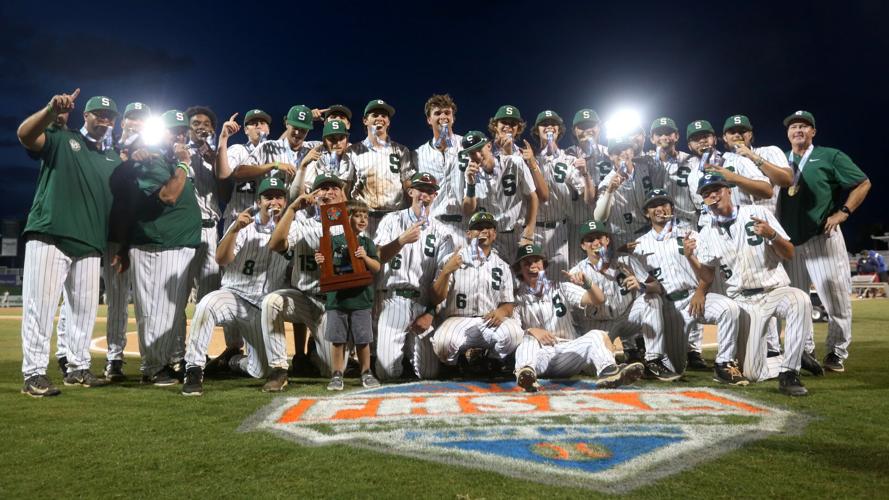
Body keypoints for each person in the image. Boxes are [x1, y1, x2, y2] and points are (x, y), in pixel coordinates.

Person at [16, 89, 118, 396]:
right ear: (84, 116)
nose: (104, 119)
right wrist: (50, 111)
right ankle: (33, 373)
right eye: (98, 113)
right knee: (40, 307)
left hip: (90, 241)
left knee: (85, 312)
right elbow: (24, 135)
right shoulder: (62, 138)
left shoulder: (113, 159)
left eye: (109, 116)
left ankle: (78, 368)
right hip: (51, 233)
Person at [692, 173, 811, 396]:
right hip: (744, 300)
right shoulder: (706, 232)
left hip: (774, 290)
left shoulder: (757, 213)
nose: (713, 196)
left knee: (800, 300)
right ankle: (789, 359)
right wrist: (700, 290)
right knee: (753, 372)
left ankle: (789, 373)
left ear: (729, 190)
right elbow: (708, 272)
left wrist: (773, 234)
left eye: (717, 190)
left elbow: (789, 253)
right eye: (706, 194)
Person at [778, 110, 871, 373]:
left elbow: (863, 183)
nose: (798, 130)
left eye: (804, 127)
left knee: (836, 297)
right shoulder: (780, 159)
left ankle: (836, 352)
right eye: (794, 126)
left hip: (823, 237)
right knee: (797, 302)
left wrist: (843, 212)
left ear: (813, 132)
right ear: (787, 133)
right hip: (790, 243)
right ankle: (805, 350)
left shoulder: (830, 156)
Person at [181, 177, 289, 396]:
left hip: (261, 310)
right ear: (259, 201)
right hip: (234, 296)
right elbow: (221, 259)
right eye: (268, 197)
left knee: (261, 370)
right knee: (206, 305)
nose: (273, 202)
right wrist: (234, 230)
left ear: (285, 202)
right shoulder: (244, 224)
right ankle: (193, 370)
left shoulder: (290, 229)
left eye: (278, 197)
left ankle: (232, 361)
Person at [631, 189, 745, 383]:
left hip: (694, 297)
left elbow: (707, 271)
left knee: (729, 308)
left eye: (664, 204)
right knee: (675, 369)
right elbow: (646, 284)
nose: (659, 208)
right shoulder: (639, 245)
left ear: (672, 208)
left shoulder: (690, 234)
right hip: (668, 306)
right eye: (653, 205)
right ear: (646, 213)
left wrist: (700, 291)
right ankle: (650, 359)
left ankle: (723, 364)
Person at [127, 110, 202, 386]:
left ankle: (167, 361)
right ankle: (152, 367)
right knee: (154, 311)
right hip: (156, 244)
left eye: (182, 130)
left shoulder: (167, 161)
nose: (180, 135)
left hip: (177, 245)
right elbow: (168, 196)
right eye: (174, 130)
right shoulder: (150, 159)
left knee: (170, 312)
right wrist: (183, 164)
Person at [512, 243, 645, 392]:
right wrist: (531, 330)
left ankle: (609, 372)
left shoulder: (561, 287)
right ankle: (525, 374)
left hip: (568, 352)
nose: (533, 266)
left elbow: (599, 300)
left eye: (536, 261)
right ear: (519, 269)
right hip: (538, 357)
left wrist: (587, 284)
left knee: (597, 335)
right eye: (527, 263)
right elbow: (514, 332)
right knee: (528, 339)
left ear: (544, 264)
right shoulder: (515, 297)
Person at [263, 173, 348, 389]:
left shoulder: (352, 222)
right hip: (305, 299)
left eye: (333, 188)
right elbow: (275, 245)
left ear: (342, 193)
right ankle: (279, 370)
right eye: (323, 188)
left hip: (335, 304)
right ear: (314, 195)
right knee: (271, 302)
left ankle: (314, 349)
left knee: (332, 369)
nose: (328, 192)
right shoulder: (302, 223)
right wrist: (291, 209)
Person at [565, 221, 673, 380]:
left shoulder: (627, 261)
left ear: (607, 240)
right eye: (590, 239)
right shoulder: (577, 273)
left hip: (627, 317)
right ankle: (618, 363)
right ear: (583, 245)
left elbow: (658, 287)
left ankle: (653, 360)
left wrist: (642, 285)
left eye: (599, 237)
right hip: (598, 326)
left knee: (653, 298)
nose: (596, 243)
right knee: (592, 367)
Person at [374, 172, 454, 380]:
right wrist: (400, 240)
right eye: (420, 190)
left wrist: (430, 312)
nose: (424, 195)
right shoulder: (391, 220)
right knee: (386, 372)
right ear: (410, 192)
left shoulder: (442, 233)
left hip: (423, 303)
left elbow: (442, 280)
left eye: (429, 192)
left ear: (435, 196)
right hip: (394, 300)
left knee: (429, 373)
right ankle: (402, 357)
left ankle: (409, 353)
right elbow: (377, 258)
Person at [430, 211, 523, 373]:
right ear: (468, 234)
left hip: (489, 321)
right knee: (442, 343)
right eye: (477, 228)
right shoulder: (452, 260)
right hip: (458, 320)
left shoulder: (502, 266)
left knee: (514, 334)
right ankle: (457, 363)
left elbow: (508, 304)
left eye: (488, 227)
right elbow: (435, 298)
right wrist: (446, 271)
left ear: (494, 234)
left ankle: (490, 359)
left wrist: (501, 311)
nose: (483, 231)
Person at [314, 200, 382, 390]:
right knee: (338, 340)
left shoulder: (366, 242)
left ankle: (366, 372)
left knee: (363, 339)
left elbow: (376, 267)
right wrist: (320, 260)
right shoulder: (334, 241)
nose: (363, 220)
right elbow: (327, 265)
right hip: (338, 299)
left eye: (366, 216)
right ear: (347, 218)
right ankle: (337, 373)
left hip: (360, 298)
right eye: (358, 215)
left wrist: (365, 257)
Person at [532, 110, 594, 279]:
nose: (549, 127)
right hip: (533, 229)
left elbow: (588, 197)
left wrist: (586, 174)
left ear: (559, 130)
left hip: (559, 229)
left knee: (559, 284)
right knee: (530, 285)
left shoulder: (568, 160)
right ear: (537, 130)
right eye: (544, 124)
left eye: (553, 124)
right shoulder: (529, 158)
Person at [685, 120, 773, 228]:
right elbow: (701, 209)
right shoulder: (692, 176)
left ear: (715, 140)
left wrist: (734, 178)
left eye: (706, 136)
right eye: (695, 138)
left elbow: (767, 191)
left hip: (744, 226)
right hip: (715, 234)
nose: (702, 140)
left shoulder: (737, 160)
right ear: (689, 146)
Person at [347, 99, 415, 239]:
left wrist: (413, 215)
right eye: (375, 115)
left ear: (388, 122)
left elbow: (408, 186)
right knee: (364, 259)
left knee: (394, 260)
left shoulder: (401, 150)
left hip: (394, 217)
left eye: (384, 116)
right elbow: (346, 189)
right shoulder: (352, 151)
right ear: (365, 120)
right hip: (363, 220)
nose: (380, 118)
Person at [485, 105, 540, 261]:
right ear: (495, 125)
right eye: (504, 121)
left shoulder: (524, 155)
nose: (508, 126)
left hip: (516, 231)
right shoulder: (484, 151)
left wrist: (529, 232)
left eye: (513, 123)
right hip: (490, 232)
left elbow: (537, 195)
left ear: (518, 128)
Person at [412, 94, 467, 245]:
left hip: (465, 224)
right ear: (429, 120)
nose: (443, 116)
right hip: (432, 225)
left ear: (453, 118)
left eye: (447, 112)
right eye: (437, 113)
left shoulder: (467, 145)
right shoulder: (418, 154)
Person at [593, 136, 659, 250]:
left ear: (632, 152)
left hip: (652, 232)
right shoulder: (607, 182)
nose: (622, 153)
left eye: (626, 149)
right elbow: (599, 218)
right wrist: (610, 191)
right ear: (610, 156)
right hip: (625, 238)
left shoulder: (646, 167)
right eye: (617, 151)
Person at [215, 108, 273, 230]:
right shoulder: (238, 150)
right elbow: (223, 174)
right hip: (239, 221)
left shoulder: (276, 155)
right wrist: (224, 138)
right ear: (246, 130)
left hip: (269, 222)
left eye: (262, 123)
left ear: (268, 129)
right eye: (253, 123)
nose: (259, 126)